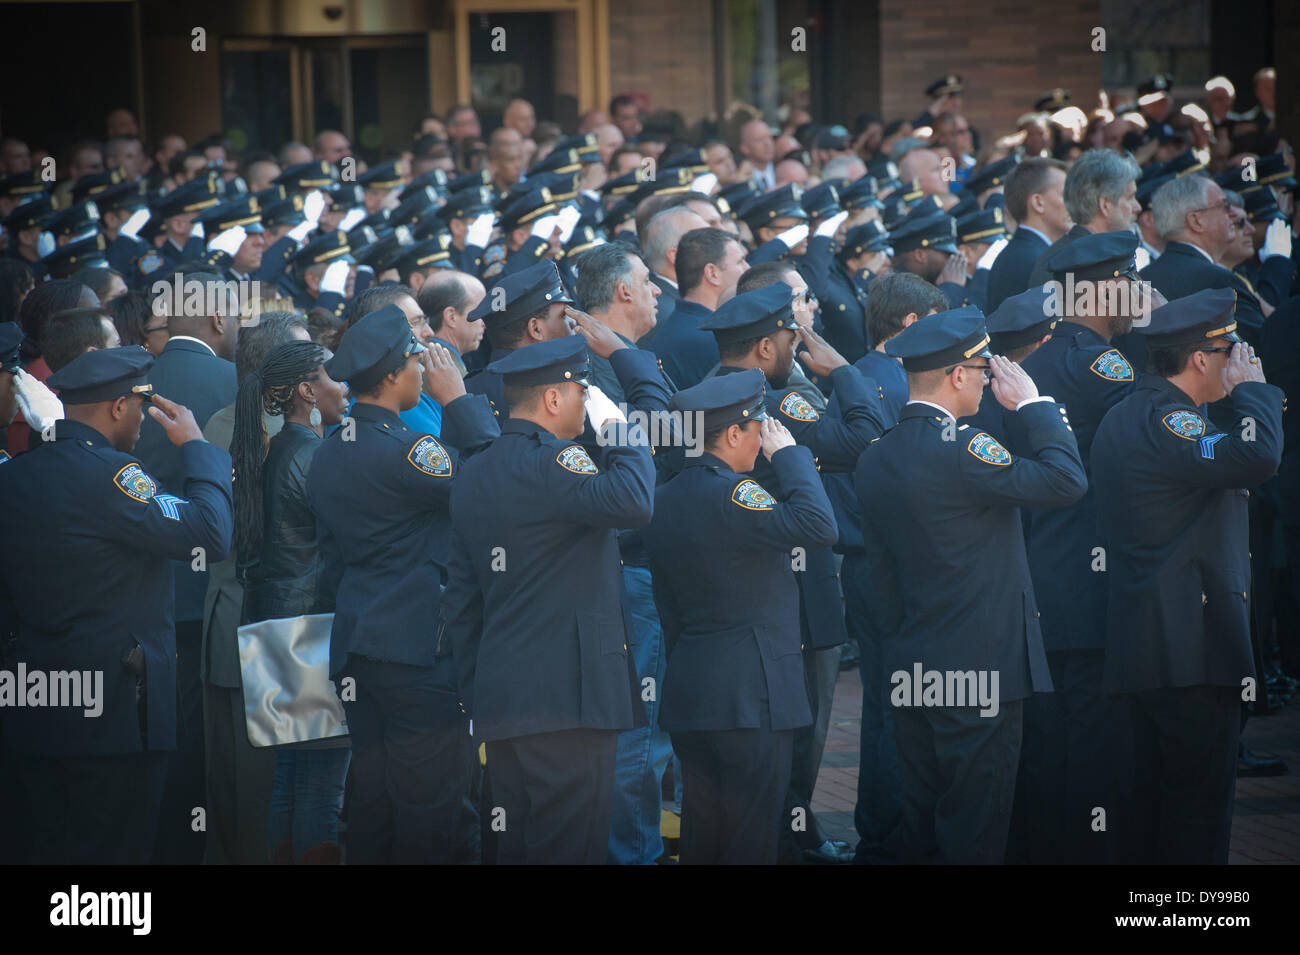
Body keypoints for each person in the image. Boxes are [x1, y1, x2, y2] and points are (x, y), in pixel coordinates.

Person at [854, 306, 1086, 863]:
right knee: (975, 829)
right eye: (983, 372)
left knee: (924, 823)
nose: (987, 383)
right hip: (981, 670)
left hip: (911, 664)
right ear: (959, 375)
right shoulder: (965, 448)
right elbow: (1066, 480)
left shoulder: (876, 456)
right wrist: (1035, 407)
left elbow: (880, 577)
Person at [0, 347, 233, 863]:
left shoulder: (12, 476)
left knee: (43, 845)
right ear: (117, 407)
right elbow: (208, 534)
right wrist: (197, 447)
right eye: (139, 404)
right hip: (112, 718)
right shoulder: (112, 476)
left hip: (32, 705)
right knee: (114, 854)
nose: (143, 420)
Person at [440, 335, 655, 864]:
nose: (588, 405)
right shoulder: (558, 461)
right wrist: (619, 429)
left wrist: (478, 691)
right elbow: (633, 500)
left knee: (514, 844)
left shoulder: (474, 471)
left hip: (506, 696)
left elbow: (463, 601)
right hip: (571, 701)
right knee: (570, 844)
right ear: (554, 399)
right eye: (583, 393)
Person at [1092, 287, 1283, 863]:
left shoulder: (1130, 413)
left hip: (1146, 647)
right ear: (1201, 359)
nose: (1240, 362)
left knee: (1146, 813)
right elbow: (1257, 458)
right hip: (1190, 653)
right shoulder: (1169, 421)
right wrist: (1254, 393)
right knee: (1196, 817)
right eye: (1231, 352)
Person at [307, 304, 498, 864]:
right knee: (433, 810)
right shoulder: (411, 450)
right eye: (417, 360)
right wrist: (458, 400)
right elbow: (490, 490)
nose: (424, 370)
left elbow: (335, 561)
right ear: (392, 375)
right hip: (418, 652)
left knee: (374, 803)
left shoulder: (329, 451)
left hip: (359, 646)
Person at [643, 370, 836, 863]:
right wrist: (790, 456)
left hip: (694, 690)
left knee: (705, 834)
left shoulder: (663, 498)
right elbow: (818, 525)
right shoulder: (735, 494)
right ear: (733, 434)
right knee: (750, 836)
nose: (761, 441)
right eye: (758, 429)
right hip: (752, 697)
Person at [130, 270, 239, 864]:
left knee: (148, 737)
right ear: (220, 319)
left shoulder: (129, 379)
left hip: (139, 589)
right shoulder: (235, 380)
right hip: (211, 591)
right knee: (202, 741)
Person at [232, 340, 351, 864]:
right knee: (323, 788)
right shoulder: (312, 454)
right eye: (331, 379)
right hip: (313, 633)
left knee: (290, 777)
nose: (343, 388)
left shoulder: (277, 449)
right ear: (307, 391)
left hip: (273, 626)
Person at [199, 312, 310, 865]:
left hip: (239, 630)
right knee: (264, 799)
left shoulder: (228, 422)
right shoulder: (270, 434)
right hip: (268, 634)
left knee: (246, 796)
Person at [648, 227, 749, 388]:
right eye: (740, 262)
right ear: (712, 273)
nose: (748, 268)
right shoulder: (711, 339)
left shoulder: (684, 325)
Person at [1026, 150, 1141, 290]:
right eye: (1130, 197)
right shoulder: (1070, 263)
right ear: (1105, 205)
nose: (1137, 207)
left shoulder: (1057, 257)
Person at [984, 158, 1070, 312]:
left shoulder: (1022, 253)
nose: (1073, 203)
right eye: (1065, 195)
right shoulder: (1035, 261)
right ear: (1038, 202)